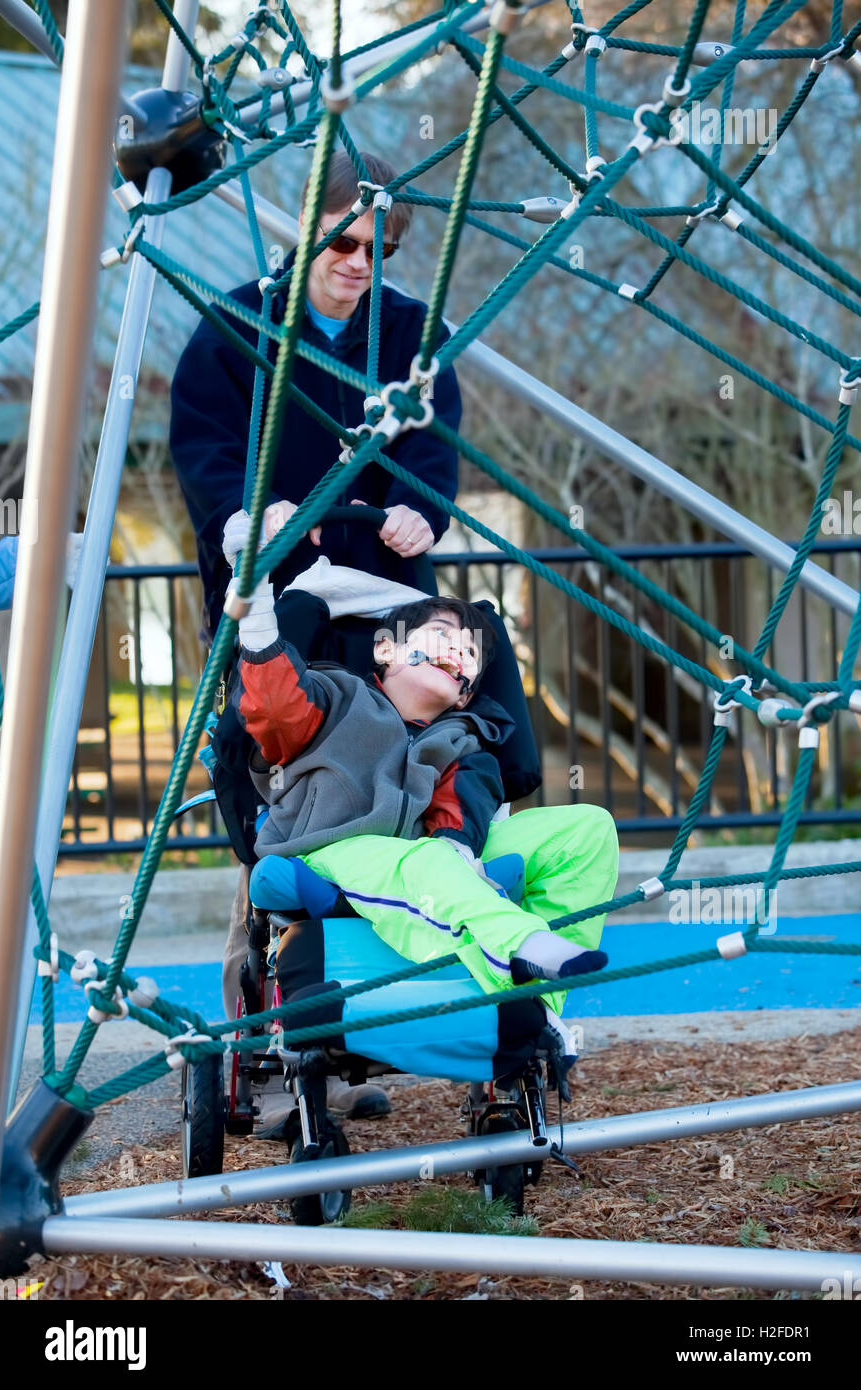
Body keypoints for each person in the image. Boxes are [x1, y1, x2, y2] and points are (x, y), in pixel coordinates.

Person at [231, 572, 619, 1025]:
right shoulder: (331, 698)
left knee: (588, 828)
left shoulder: (466, 741)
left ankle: (538, 1011)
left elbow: (459, 808)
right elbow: (274, 707)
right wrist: (258, 620)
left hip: (433, 853)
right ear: (385, 650)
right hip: (329, 847)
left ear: (465, 693)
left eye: (470, 651)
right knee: (428, 861)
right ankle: (520, 947)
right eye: (441, 635)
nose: (458, 649)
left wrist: (456, 845)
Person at [170, 149, 461, 648]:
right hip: (271, 598)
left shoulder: (414, 331)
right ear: (306, 224)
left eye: (378, 251)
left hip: (384, 601)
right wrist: (258, 508)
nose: (358, 263)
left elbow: (431, 443)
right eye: (343, 241)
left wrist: (420, 508)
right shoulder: (237, 325)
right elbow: (203, 447)